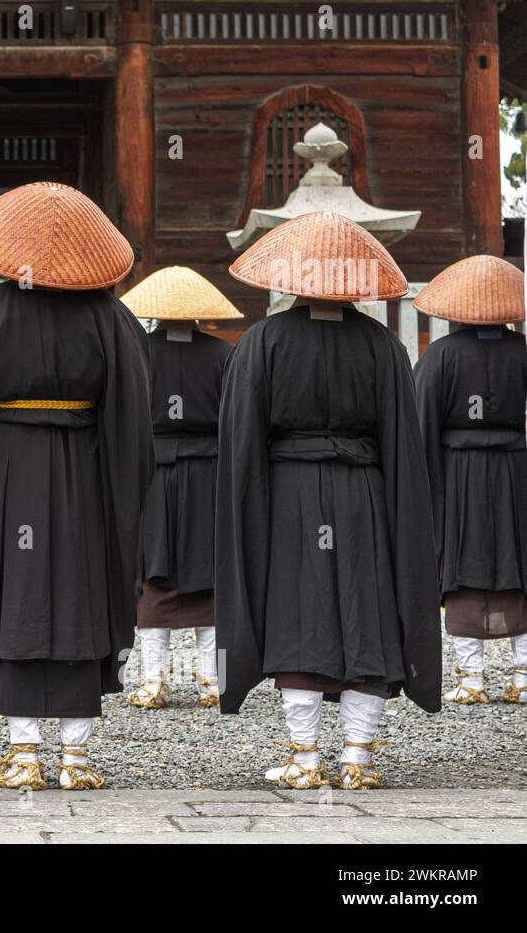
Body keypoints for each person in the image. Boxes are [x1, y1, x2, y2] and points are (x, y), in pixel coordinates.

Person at [0, 183, 154, 789]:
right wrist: (121, 495)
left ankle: (25, 752)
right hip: (86, 472)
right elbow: (134, 415)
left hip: (8, 473)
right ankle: (76, 756)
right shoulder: (109, 316)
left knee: (15, 593)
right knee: (81, 590)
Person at [217, 212, 441, 791]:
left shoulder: (263, 341)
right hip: (364, 493)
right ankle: (358, 759)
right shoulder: (383, 346)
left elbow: (242, 441)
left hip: (289, 493)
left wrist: (248, 511)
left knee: (298, 611)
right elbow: (401, 439)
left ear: (289, 279)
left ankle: (305, 755)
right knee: (367, 608)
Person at [120, 266, 240, 709]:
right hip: (208, 471)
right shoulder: (223, 355)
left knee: (155, 566)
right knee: (207, 567)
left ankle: (154, 681)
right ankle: (211, 682)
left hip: (151, 473)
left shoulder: (137, 352)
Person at [413, 255, 527, 705]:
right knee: (517, 561)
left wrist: (423, 481)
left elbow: (421, 420)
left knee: (461, 562)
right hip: (516, 471)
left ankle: (472, 677)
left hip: (458, 473)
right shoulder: (522, 352)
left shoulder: (441, 354)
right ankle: (522, 676)